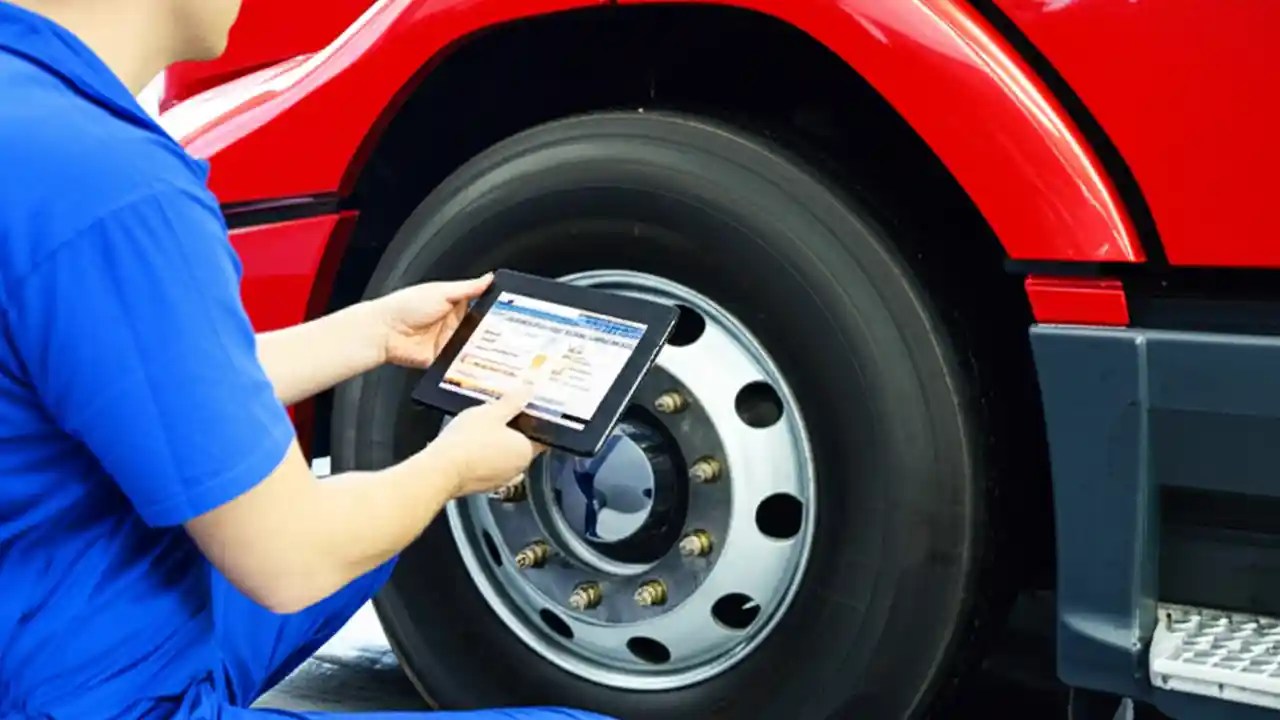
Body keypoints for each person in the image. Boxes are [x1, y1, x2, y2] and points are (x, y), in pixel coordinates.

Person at [0, 1, 613, 719]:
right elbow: (292, 561)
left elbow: (139, 383)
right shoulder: (116, 187)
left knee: (365, 536)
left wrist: (369, 334)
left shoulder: (27, 119)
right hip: (80, 688)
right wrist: (450, 467)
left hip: (36, 590)